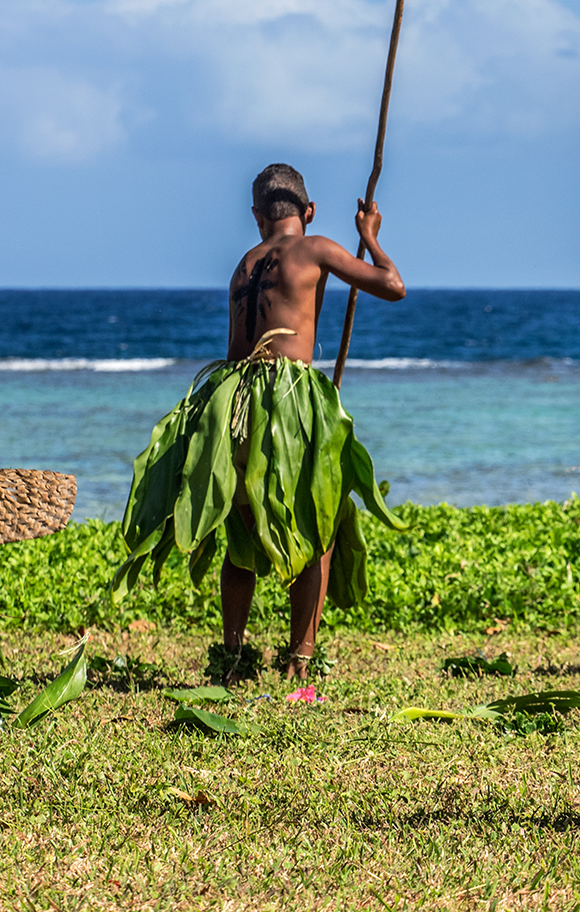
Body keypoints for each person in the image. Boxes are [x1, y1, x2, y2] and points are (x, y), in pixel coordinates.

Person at [114, 164, 408, 683]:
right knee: (316, 528)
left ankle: (232, 656)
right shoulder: (315, 247)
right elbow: (392, 285)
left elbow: (239, 348)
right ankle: (300, 657)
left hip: (232, 405)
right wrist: (368, 237)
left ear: (257, 216)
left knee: (242, 535)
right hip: (285, 410)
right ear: (308, 211)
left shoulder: (243, 265)